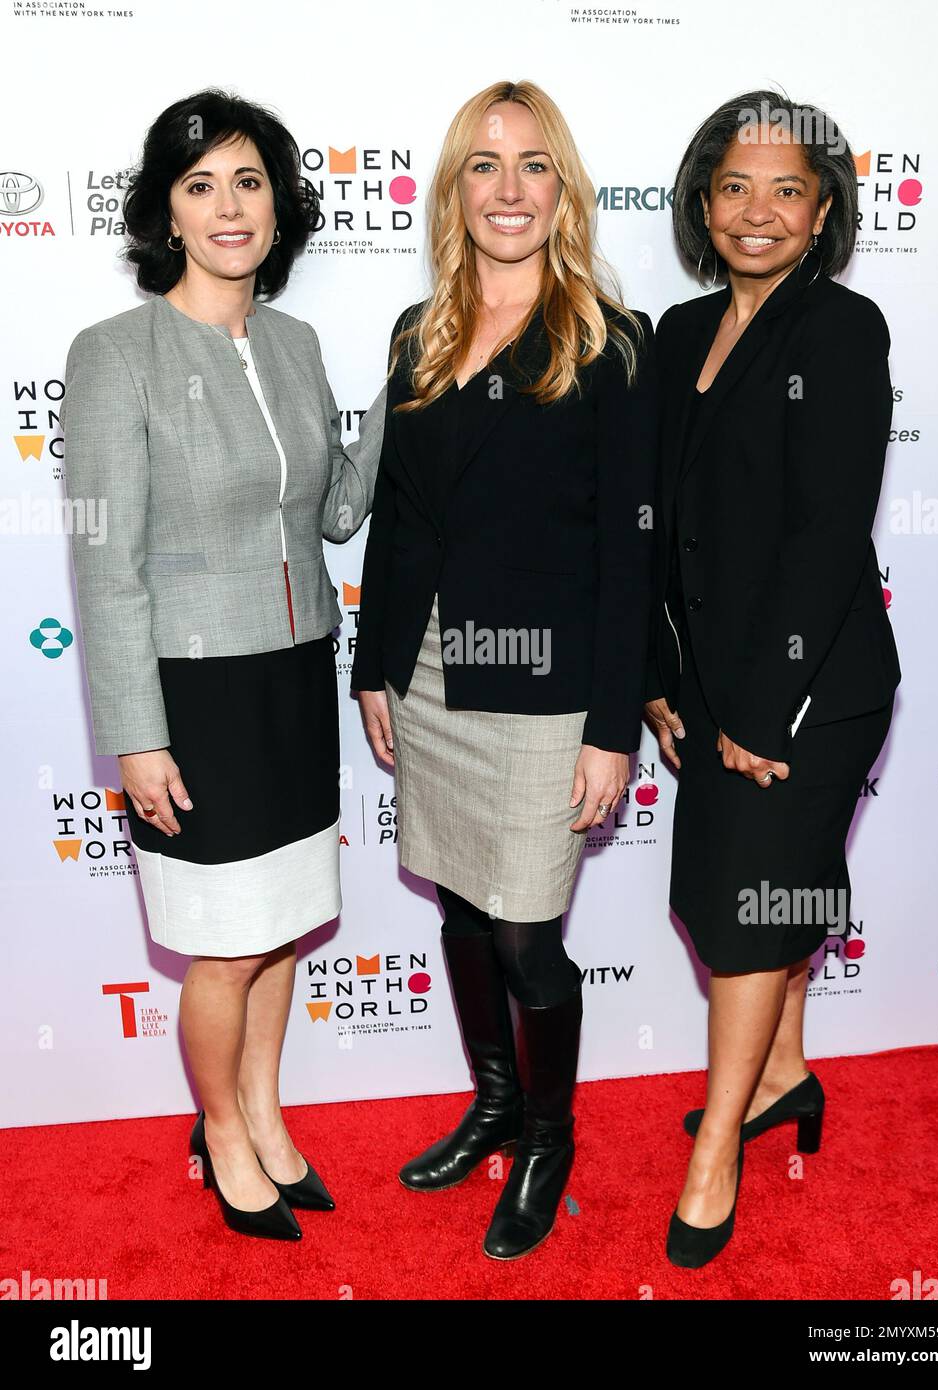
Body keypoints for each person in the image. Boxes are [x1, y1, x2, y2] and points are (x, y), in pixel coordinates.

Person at [60, 89, 385, 1241]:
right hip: (192, 696)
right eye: (201, 185)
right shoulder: (114, 355)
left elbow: (337, 513)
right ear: (166, 211)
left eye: (249, 181)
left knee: (283, 926)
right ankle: (221, 1129)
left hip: (296, 676)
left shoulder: (296, 345)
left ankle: (263, 1107)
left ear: (279, 204)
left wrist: (411, 389)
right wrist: (134, 734)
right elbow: (107, 566)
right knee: (222, 942)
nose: (228, 206)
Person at [351, 80, 657, 1260]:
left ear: (563, 188)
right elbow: (400, 518)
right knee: (463, 903)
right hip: (430, 673)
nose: (509, 188)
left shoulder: (604, 342)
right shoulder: (416, 332)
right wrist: (378, 666)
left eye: (533, 165)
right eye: (484, 166)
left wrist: (611, 722)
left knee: (529, 933)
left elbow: (631, 545)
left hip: (550, 691)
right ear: (454, 191)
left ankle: (547, 1134)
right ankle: (488, 1101)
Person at [643, 89, 901, 1268]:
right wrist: (661, 675)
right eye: (735, 186)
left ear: (824, 211)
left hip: (808, 688)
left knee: (749, 911)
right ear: (703, 201)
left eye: (786, 190)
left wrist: (761, 707)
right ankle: (787, 1070)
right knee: (768, 884)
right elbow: (652, 526)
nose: (757, 211)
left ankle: (718, 1153)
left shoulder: (840, 330)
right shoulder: (676, 331)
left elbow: (826, 530)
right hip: (710, 683)